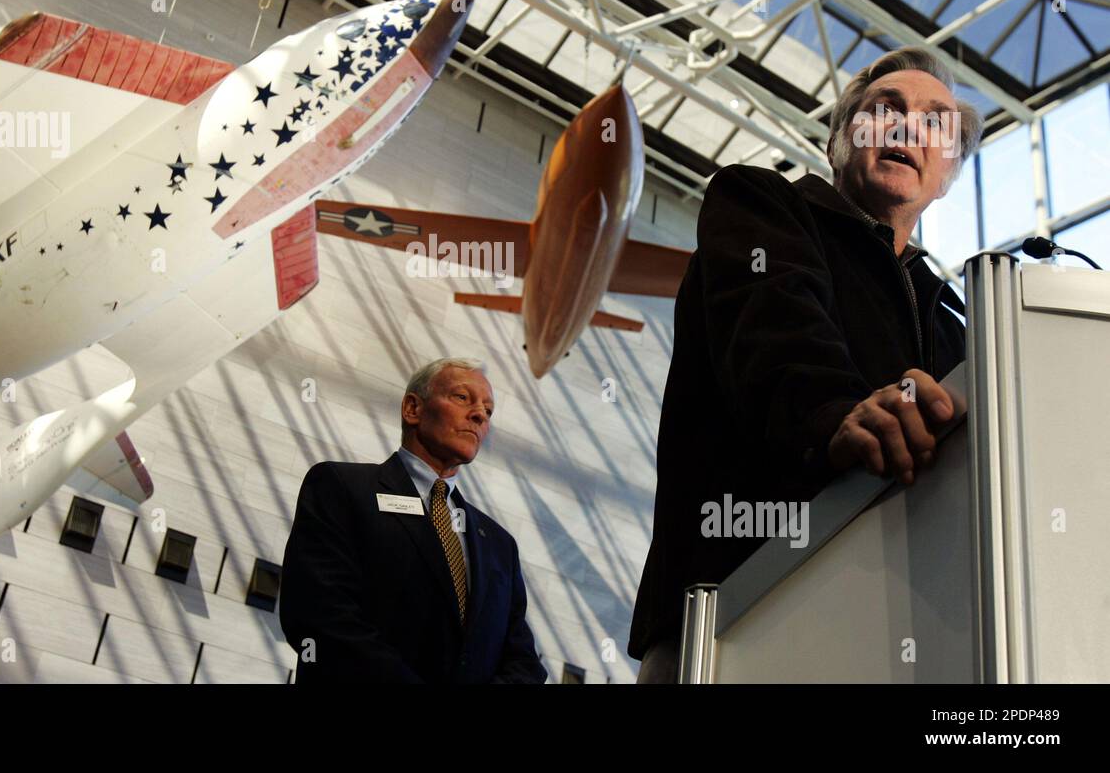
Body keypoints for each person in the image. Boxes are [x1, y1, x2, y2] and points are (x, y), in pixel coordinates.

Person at [629, 47, 984, 682]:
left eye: (936, 122)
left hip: (898, 633)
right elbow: (774, 322)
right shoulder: (761, 204)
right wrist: (833, 415)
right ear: (839, 140)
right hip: (734, 610)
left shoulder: (954, 323)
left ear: (947, 169)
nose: (909, 128)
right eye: (886, 110)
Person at [280, 357, 547, 683]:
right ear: (413, 409)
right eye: (463, 398)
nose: (479, 414)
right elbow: (319, 615)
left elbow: (524, 661)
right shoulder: (341, 488)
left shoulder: (500, 545)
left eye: (488, 411)